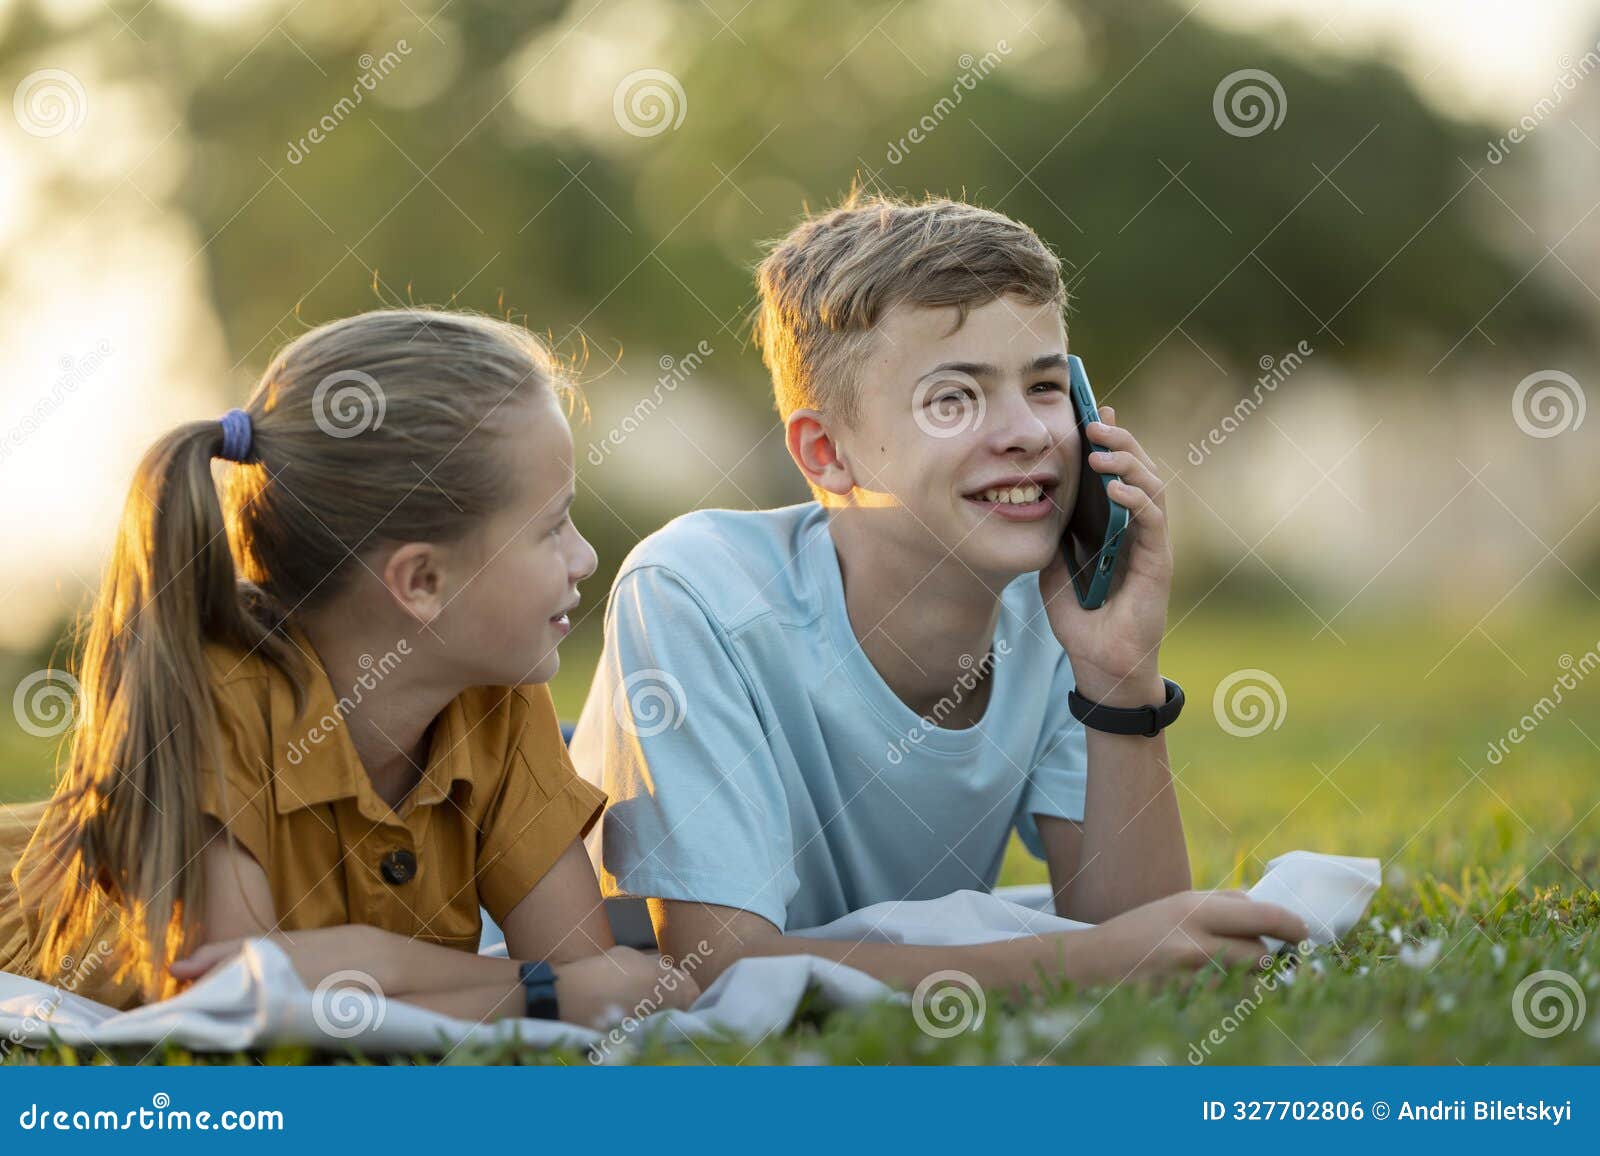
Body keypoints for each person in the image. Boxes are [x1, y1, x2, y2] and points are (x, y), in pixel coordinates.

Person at [572, 193, 1308, 991]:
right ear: (826, 455)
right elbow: (717, 966)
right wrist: (1091, 960)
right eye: (954, 397)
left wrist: (1120, 675)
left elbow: (1146, 940)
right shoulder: (695, 590)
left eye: (1045, 386)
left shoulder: (1053, 600)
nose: (1025, 431)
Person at [1, 309, 697, 1027]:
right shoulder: (220, 698)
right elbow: (237, 1001)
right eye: (552, 528)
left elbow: (592, 973)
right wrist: (517, 990)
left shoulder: (499, 696)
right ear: (421, 581)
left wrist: (422, 972)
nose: (585, 558)